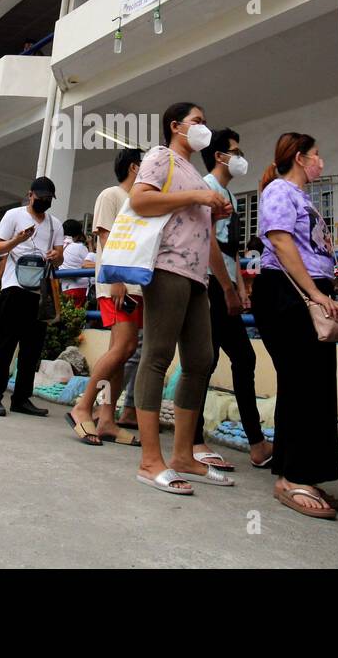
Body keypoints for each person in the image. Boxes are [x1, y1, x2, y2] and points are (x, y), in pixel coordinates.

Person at [128, 103, 237, 494]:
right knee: (158, 355)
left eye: (205, 121)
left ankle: (183, 455)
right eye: (197, 122)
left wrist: (213, 210)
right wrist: (197, 197)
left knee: (200, 360)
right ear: (175, 126)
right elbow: (141, 200)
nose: (203, 128)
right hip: (167, 267)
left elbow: (192, 217)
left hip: (196, 274)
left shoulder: (193, 172)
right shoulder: (161, 156)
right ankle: (149, 459)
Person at [250, 132, 338, 516]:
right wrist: (315, 294)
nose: (320, 161)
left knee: (311, 382)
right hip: (289, 293)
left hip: (308, 291)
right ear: (300, 158)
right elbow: (281, 241)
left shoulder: (303, 198)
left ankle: (301, 471)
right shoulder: (279, 191)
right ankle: (292, 478)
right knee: (304, 380)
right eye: (317, 154)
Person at [191, 127, 268, 471]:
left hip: (225, 287)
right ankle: (193, 440)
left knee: (239, 358)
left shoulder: (231, 197)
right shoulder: (206, 188)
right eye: (235, 151)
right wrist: (225, 288)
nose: (241, 157)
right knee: (204, 362)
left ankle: (256, 443)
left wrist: (241, 288)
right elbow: (207, 243)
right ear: (220, 157)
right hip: (209, 286)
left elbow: (231, 249)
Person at [67, 149, 144, 445]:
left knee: (122, 352)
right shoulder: (111, 195)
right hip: (117, 283)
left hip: (136, 286)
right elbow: (106, 237)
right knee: (123, 348)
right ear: (134, 168)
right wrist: (117, 278)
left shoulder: (139, 202)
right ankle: (83, 406)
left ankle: (108, 419)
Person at [0, 178, 65, 417]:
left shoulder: (54, 224)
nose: (44, 202)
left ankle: (21, 398)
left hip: (40, 292)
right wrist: (17, 240)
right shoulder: (13, 215)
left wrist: (55, 256)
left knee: (32, 349)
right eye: (40, 197)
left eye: (48, 199)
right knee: (4, 345)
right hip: (13, 286)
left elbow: (60, 256)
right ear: (30, 194)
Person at [59, 219, 92, 307]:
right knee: (78, 318)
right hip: (80, 288)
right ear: (78, 234)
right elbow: (91, 261)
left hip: (64, 287)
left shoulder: (59, 246)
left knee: (69, 316)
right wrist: (90, 244)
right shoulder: (80, 247)